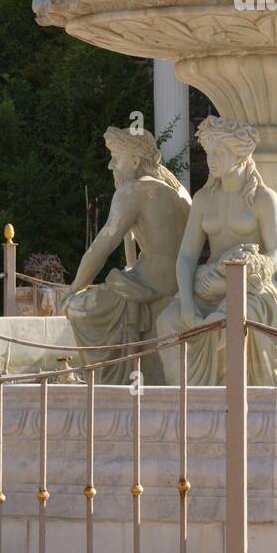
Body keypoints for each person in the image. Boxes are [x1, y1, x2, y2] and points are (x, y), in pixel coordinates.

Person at [157, 117, 277, 385]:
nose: (210, 160)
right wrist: (186, 302)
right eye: (209, 153)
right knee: (167, 321)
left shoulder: (264, 199)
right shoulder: (203, 200)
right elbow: (186, 257)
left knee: (228, 322)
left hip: (250, 289)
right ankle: (185, 403)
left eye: (218, 153)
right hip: (206, 286)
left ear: (239, 155)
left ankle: (235, 403)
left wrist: (255, 267)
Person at [63, 127, 191, 384]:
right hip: (180, 281)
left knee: (77, 307)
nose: (111, 165)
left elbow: (100, 247)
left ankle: (110, 381)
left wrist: (74, 289)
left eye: (116, 157)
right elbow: (133, 254)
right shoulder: (177, 190)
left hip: (152, 282)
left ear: (135, 161)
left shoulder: (134, 191)